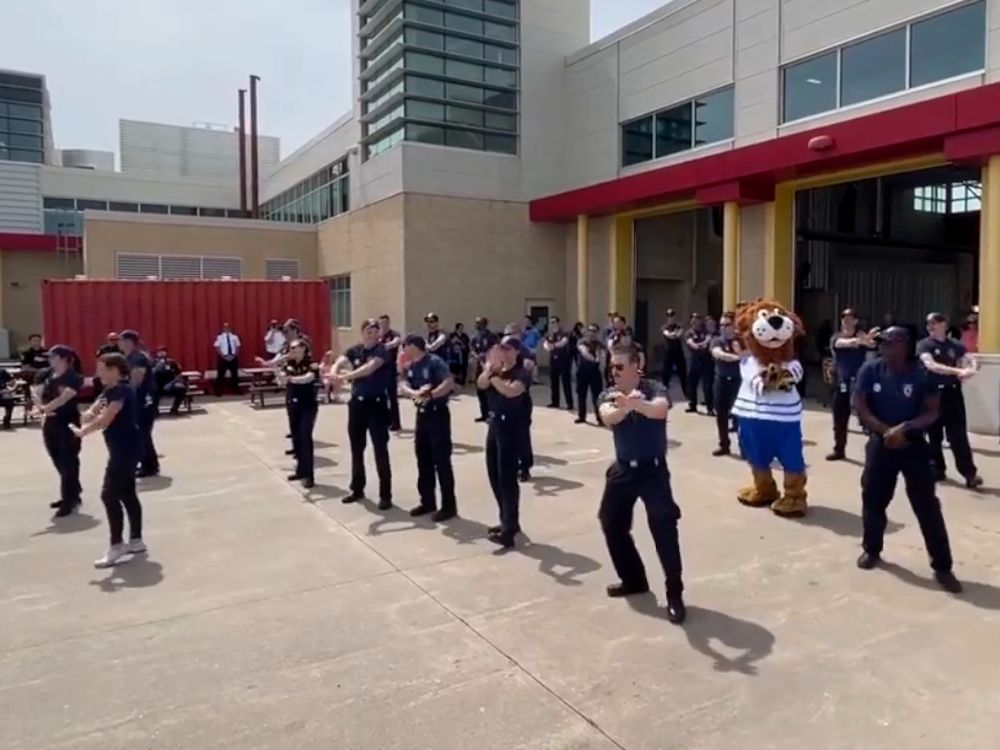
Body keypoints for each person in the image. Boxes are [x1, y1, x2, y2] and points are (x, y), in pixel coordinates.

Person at [853, 327, 962, 593]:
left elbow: (932, 411)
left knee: (927, 506)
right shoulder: (871, 370)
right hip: (881, 444)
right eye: (881, 343)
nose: (882, 347)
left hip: (913, 446)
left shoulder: (922, 373)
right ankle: (872, 549)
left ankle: (942, 566)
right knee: (873, 498)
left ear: (904, 345)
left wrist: (905, 428)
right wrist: (884, 431)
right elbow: (861, 405)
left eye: (888, 342)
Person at [598, 343, 686, 624]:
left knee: (663, 526)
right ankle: (633, 579)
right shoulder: (610, 393)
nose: (615, 372)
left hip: (653, 472)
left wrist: (637, 403)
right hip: (624, 470)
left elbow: (660, 410)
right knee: (611, 522)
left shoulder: (654, 388)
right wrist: (624, 407)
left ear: (637, 365)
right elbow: (607, 416)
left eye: (620, 366)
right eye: (612, 366)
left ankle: (674, 592)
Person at [70, 353, 146, 569]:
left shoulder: (123, 390)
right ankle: (136, 540)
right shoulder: (109, 390)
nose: (98, 373)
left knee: (109, 494)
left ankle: (117, 545)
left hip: (126, 449)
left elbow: (106, 418)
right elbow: (96, 409)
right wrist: (86, 415)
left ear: (115, 370)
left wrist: (84, 431)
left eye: (102, 369)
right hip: (121, 448)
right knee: (128, 492)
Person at [478, 334, 532, 548]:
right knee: (494, 475)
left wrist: (493, 376)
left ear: (517, 352)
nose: (505, 351)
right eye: (502, 347)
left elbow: (511, 391)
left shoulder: (522, 372)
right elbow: (482, 384)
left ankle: (508, 530)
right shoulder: (495, 369)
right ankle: (507, 520)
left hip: (511, 429)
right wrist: (489, 370)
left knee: (507, 479)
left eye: (509, 348)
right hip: (495, 426)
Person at [916, 312, 982, 488]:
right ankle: (936, 469)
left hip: (952, 394)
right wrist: (958, 372)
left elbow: (969, 358)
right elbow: (931, 365)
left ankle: (969, 473)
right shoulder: (924, 345)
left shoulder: (955, 345)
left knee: (958, 436)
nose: (931, 326)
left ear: (944, 325)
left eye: (935, 323)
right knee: (933, 434)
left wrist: (972, 368)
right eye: (929, 323)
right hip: (932, 394)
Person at [332, 319, 393, 509]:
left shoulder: (381, 351)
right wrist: (334, 370)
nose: (372, 334)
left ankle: (385, 495)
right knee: (357, 449)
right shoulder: (356, 350)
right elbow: (342, 359)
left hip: (376, 405)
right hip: (357, 406)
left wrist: (344, 377)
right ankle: (357, 489)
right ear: (362, 332)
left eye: (375, 331)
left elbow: (368, 369)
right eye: (368, 330)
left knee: (380, 449)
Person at [400, 334, 457, 521]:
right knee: (423, 459)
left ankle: (449, 506)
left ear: (414, 346)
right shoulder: (413, 366)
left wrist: (431, 395)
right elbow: (403, 384)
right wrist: (414, 393)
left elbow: (449, 382)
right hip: (422, 416)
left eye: (405, 346)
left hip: (437, 415)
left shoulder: (434, 362)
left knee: (441, 462)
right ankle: (427, 501)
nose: (403, 351)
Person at [34, 346, 83, 517]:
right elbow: (37, 392)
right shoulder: (47, 374)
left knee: (68, 459)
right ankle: (74, 491)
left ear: (63, 358)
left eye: (53, 357)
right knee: (57, 458)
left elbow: (65, 397)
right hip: (50, 423)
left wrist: (45, 408)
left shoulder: (73, 377)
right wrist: (41, 406)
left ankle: (69, 500)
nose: (50, 360)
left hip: (68, 423)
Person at [827, 308, 875, 461]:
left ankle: (875, 453)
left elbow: (874, 345)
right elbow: (841, 344)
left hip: (860, 385)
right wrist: (861, 341)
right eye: (844, 319)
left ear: (855, 321)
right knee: (840, 419)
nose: (847, 322)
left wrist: (872, 340)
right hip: (842, 383)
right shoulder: (836, 337)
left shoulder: (862, 336)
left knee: (868, 419)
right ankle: (839, 450)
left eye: (850, 319)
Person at [280, 339, 319, 489]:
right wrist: (280, 375)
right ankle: (300, 470)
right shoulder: (288, 364)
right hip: (292, 403)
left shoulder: (311, 364)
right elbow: (281, 380)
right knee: (296, 437)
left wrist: (291, 379)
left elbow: (308, 378)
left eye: (295, 348)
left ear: (303, 348)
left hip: (307, 405)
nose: (292, 350)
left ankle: (308, 475)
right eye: (290, 348)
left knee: (305, 436)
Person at [119, 330, 159, 478]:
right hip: (137, 399)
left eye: (121, 341)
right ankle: (147, 463)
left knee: (142, 432)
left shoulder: (138, 358)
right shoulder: (128, 358)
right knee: (139, 433)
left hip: (144, 399)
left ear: (129, 342)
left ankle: (150, 466)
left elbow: (136, 380)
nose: (119, 344)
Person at [504, 323, 537, 482]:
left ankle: (524, 467)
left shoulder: (525, 352)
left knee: (522, 434)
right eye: (506, 334)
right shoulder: (502, 352)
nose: (508, 337)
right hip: (504, 400)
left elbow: (528, 368)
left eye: (511, 334)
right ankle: (512, 464)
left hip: (521, 399)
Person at [710, 312, 742, 457]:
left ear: (734, 325)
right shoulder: (717, 340)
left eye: (726, 324)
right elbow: (718, 354)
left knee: (741, 416)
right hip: (721, 381)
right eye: (721, 324)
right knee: (721, 414)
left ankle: (745, 447)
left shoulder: (741, 341)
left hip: (738, 381)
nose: (723, 327)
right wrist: (739, 357)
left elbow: (752, 355)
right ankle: (724, 445)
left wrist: (741, 353)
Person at [377, 314, 403, 431]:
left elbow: (397, 342)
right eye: (381, 323)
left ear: (389, 323)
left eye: (385, 323)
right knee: (381, 396)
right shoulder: (378, 335)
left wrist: (382, 346)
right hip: (379, 368)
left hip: (390, 368)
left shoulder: (393, 334)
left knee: (392, 396)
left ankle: (395, 423)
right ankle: (385, 420)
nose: (383, 325)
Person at [575, 324, 605, 425]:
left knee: (597, 396)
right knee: (581, 394)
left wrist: (600, 359)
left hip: (595, 372)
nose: (592, 333)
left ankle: (600, 418)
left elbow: (603, 354)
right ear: (587, 332)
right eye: (590, 330)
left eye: (594, 331)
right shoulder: (582, 341)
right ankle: (581, 416)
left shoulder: (600, 344)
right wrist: (595, 359)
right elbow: (584, 352)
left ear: (597, 333)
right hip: (582, 371)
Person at [685, 314, 714, 415]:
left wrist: (701, 344)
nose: (695, 322)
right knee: (692, 385)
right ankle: (692, 405)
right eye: (693, 320)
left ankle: (710, 408)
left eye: (697, 319)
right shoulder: (689, 333)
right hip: (694, 361)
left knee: (707, 386)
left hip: (706, 362)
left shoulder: (706, 331)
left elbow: (708, 339)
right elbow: (690, 343)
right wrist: (699, 345)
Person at [543, 316, 574, 410]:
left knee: (565, 382)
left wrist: (553, 346)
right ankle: (555, 402)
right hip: (553, 359)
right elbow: (545, 343)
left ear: (558, 323)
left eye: (554, 322)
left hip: (563, 360)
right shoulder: (549, 334)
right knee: (554, 382)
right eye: (551, 322)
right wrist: (548, 347)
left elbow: (564, 342)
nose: (552, 324)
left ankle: (569, 403)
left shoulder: (564, 333)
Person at [470, 317, 497, 423]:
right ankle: (484, 414)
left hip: (489, 366)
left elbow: (495, 349)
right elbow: (472, 349)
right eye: (476, 323)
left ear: (484, 324)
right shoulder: (475, 337)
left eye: (479, 323)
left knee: (489, 391)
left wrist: (486, 356)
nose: (476, 325)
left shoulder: (491, 336)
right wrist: (476, 356)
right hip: (479, 366)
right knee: (480, 390)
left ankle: (491, 414)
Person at [152, 346, 188, 415]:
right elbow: (150, 374)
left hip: (170, 384)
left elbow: (179, 373)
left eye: (163, 352)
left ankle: (174, 409)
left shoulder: (171, 362)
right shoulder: (153, 362)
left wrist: (174, 382)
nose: (162, 353)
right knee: (152, 390)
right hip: (158, 385)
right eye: (160, 352)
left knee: (181, 388)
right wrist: (158, 366)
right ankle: (155, 411)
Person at [661, 309, 687, 394]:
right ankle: (663, 394)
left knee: (683, 374)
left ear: (675, 317)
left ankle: (687, 393)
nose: (670, 318)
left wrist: (673, 334)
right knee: (666, 375)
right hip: (668, 353)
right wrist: (673, 334)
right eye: (669, 316)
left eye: (672, 316)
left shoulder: (679, 326)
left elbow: (679, 334)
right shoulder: (664, 327)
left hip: (678, 352)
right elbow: (668, 335)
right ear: (667, 318)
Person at [214, 322, 242, 397]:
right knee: (220, 375)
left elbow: (238, 347)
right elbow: (217, 347)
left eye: (228, 327)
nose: (227, 329)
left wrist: (234, 355)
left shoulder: (235, 337)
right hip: (223, 357)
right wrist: (223, 356)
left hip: (233, 357)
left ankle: (236, 390)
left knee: (234, 375)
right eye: (225, 327)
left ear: (230, 328)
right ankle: (218, 391)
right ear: (223, 328)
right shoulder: (219, 337)